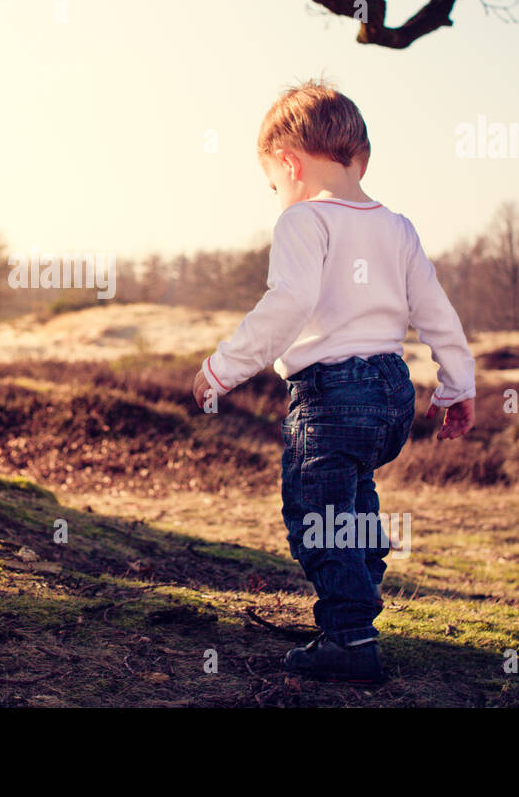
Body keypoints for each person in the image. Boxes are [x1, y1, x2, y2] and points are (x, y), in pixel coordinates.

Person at [191, 81, 476, 684]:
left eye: (273, 183)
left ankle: (348, 637)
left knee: (314, 513)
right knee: (350, 495)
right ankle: (360, 587)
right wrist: (456, 385)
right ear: (360, 158)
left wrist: (224, 367)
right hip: (392, 395)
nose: (278, 196)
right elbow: (435, 310)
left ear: (289, 164)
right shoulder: (396, 227)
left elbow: (288, 303)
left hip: (332, 398)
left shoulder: (303, 220)